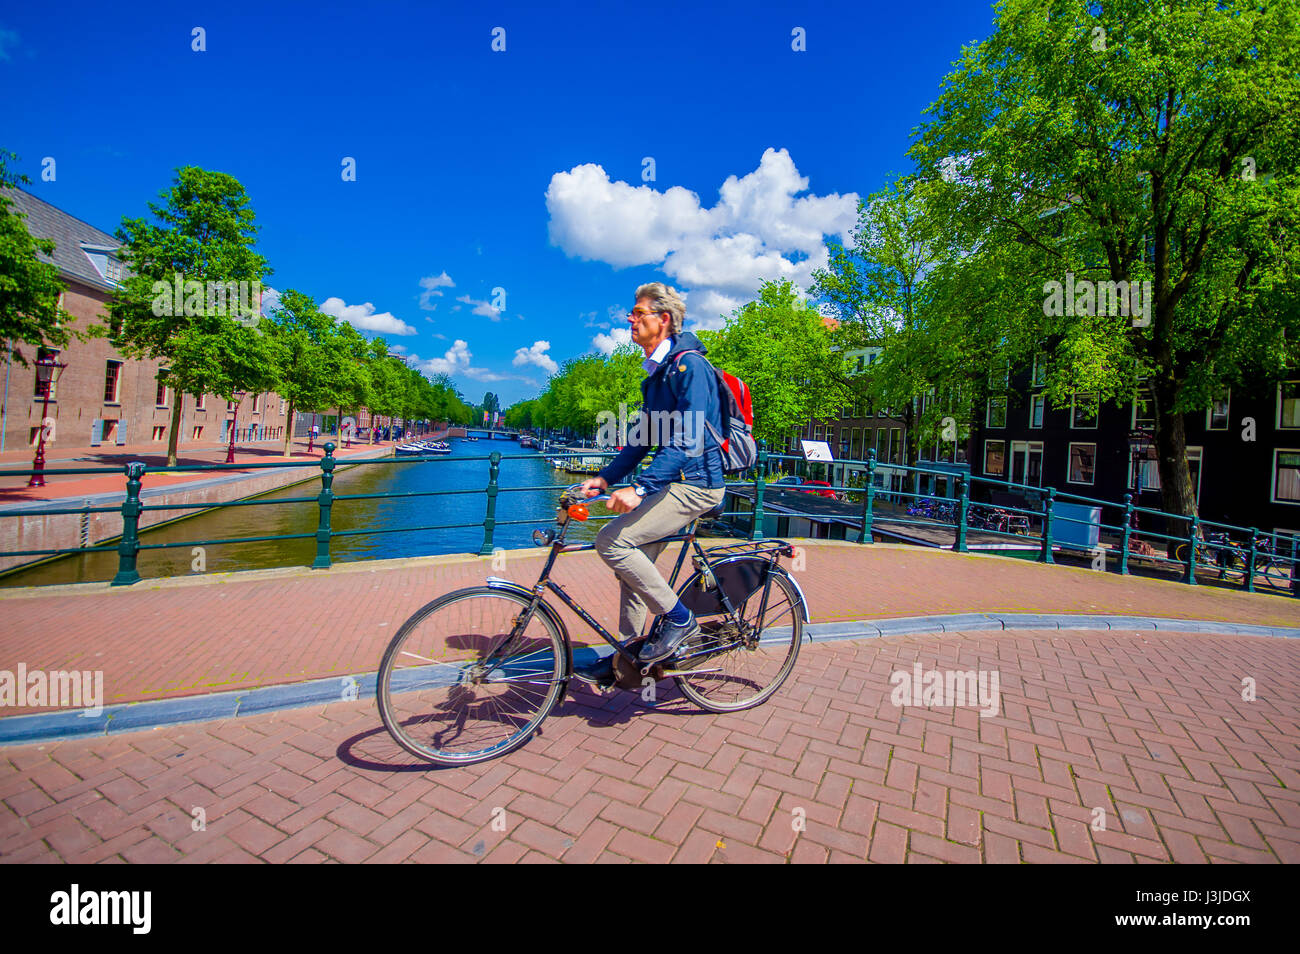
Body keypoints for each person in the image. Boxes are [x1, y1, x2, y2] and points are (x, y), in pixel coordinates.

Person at [574, 282, 726, 685]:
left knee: (612, 541)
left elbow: (689, 437)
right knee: (632, 568)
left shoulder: (689, 366)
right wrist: (603, 479)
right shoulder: (656, 376)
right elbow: (642, 440)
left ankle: (681, 620)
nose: (630, 318)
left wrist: (639, 488)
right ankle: (629, 660)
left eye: (638, 312)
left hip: (697, 482)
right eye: (632, 312)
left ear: (663, 320)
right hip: (672, 480)